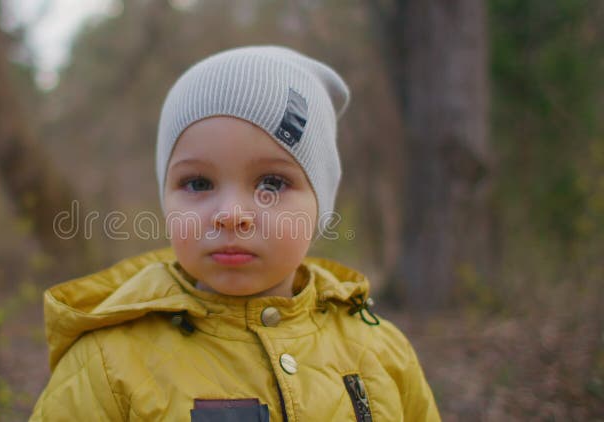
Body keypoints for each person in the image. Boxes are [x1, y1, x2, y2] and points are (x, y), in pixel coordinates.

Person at [30, 46, 440, 421]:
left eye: (272, 184)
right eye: (198, 184)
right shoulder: (105, 364)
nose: (230, 216)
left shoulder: (382, 352)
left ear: (320, 206)